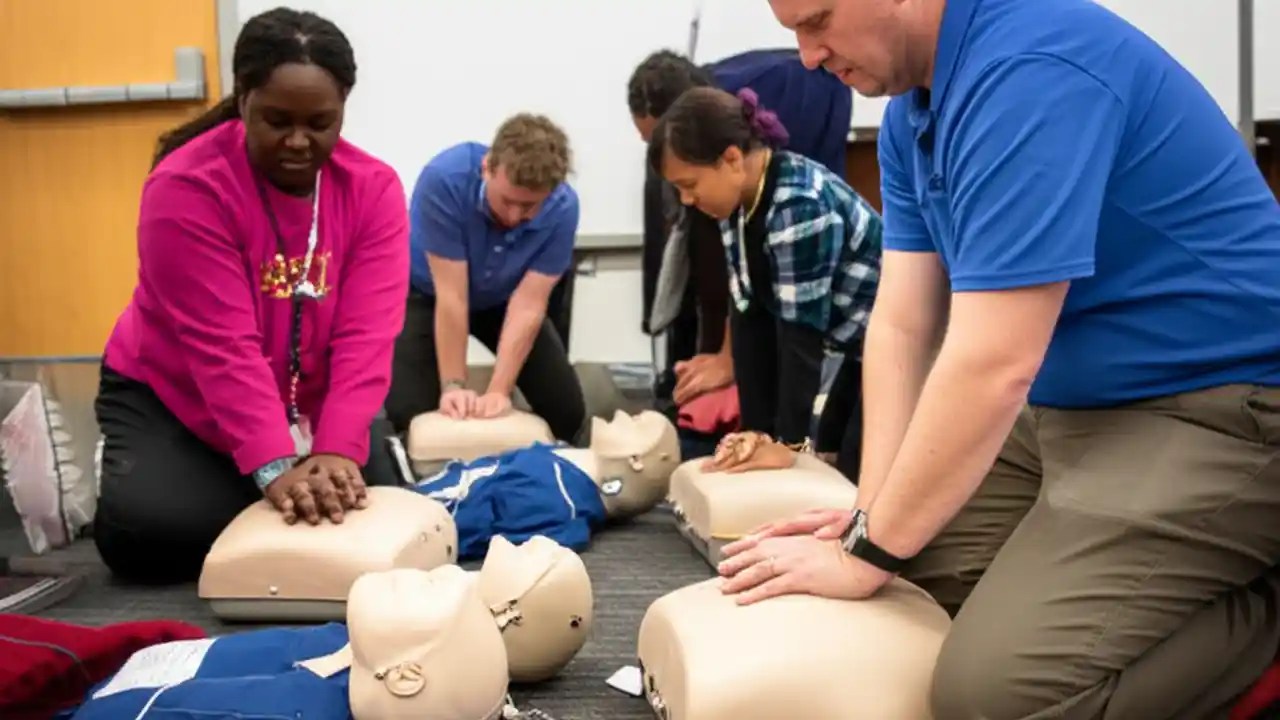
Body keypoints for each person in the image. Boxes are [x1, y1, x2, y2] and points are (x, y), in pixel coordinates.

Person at [719, 0, 1280, 718]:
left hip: (1224, 408)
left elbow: (993, 362)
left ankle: (1261, 611)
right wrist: (867, 520)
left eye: (818, 18)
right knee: (914, 571)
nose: (806, 55)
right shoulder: (909, 114)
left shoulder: (1028, 69)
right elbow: (901, 324)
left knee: (992, 697)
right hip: (1071, 409)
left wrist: (865, 555)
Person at [92, 7, 409, 585]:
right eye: (276, 120)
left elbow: (367, 336)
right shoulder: (186, 187)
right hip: (176, 396)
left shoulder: (374, 189)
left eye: (320, 122)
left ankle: (264, 474)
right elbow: (222, 347)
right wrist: (274, 467)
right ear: (242, 102)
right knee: (159, 533)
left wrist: (337, 450)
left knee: (380, 514)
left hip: (304, 401)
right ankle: (140, 468)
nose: (298, 141)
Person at [648, 86, 881, 476]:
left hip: (896, 345)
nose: (687, 200)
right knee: (821, 456)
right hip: (856, 349)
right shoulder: (736, 206)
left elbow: (799, 338)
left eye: (690, 185)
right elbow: (749, 318)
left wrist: (786, 446)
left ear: (732, 159)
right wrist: (755, 435)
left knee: (857, 472)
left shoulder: (799, 204)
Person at [627, 49, 854, 413]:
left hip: (853, 330)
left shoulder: (782, 103)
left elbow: (765, 275)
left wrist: (731, 363)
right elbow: (737, 280)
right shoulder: (707, 169)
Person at [385, 115, 586, 444]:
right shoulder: (444, 180)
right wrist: (454, 385)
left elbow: (529, 304)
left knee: (567, 410)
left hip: (504, 298)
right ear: (487, 167)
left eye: (529, 206)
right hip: (428, 292)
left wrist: (498, 391)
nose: (515, 216)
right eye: (508, 201)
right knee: (412, 413)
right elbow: (453, 297)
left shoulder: (563, 208)